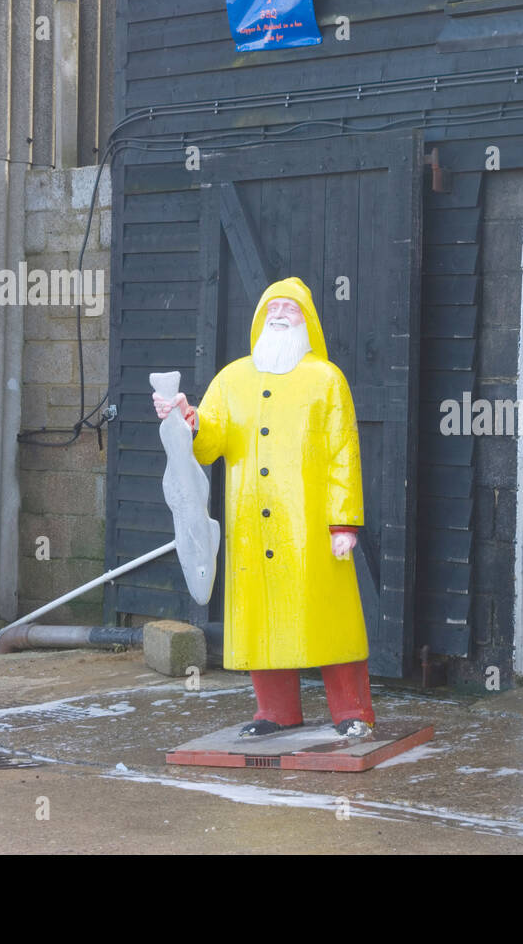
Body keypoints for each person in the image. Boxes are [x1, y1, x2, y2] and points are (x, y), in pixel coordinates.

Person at [152, 277, 375, 739]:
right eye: (270, 307)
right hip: (252, 522)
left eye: (289, 309)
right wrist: (187, 419)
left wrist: (343, 521)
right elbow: (211, 442)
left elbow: (342, 453)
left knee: (331, 617)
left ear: (306, 320)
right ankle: (275, 711)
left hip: (310, 525)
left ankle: (352, 711)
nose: (278, 314)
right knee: (262, 617)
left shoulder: (326, 380)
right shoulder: (232, 379)